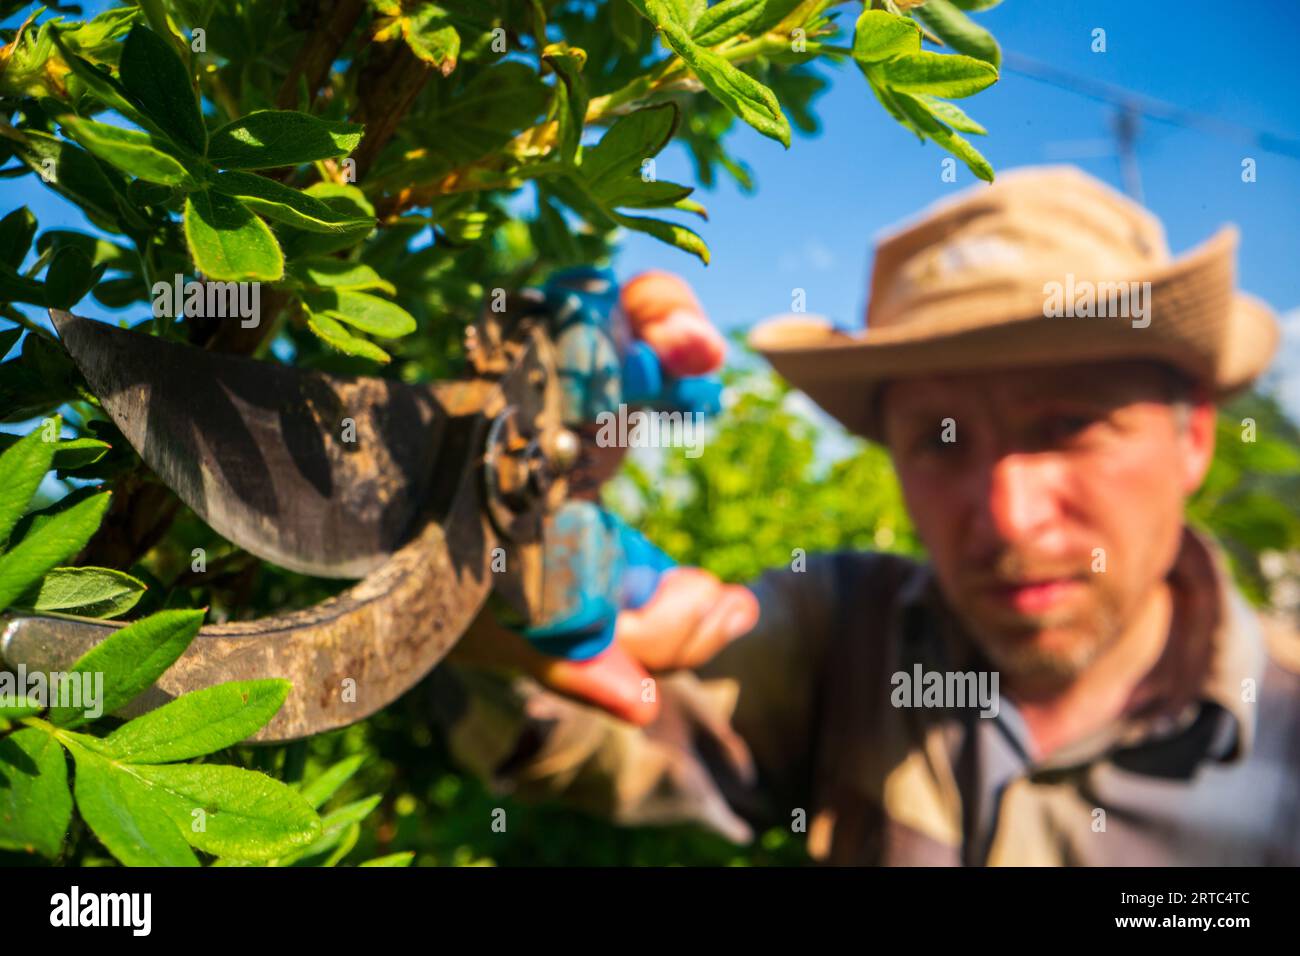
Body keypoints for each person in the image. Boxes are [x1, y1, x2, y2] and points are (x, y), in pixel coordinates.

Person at [434, 166, 1300, 865]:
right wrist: (516, 545)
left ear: (1194, 435)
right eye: (939, 441)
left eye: (1068, 427)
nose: (1008, 519)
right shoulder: (844, 633)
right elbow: (584, 731)